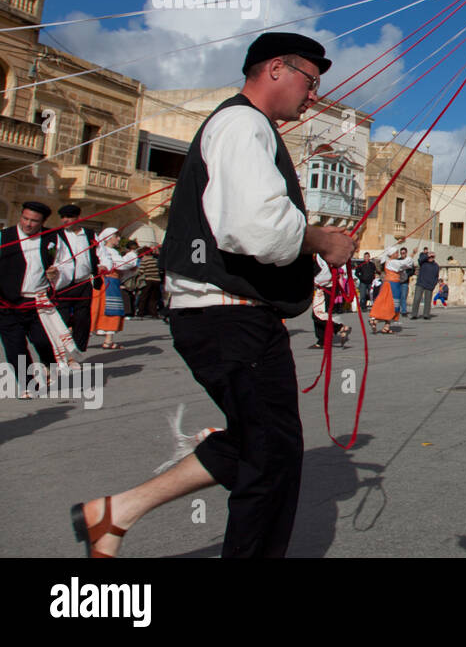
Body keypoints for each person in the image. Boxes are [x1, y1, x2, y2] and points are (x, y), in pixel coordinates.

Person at [72, 32, 356, 558]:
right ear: (275, 68)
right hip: (229, 316)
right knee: (272, 457)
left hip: (225, 316)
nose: (313, 95)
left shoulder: (244, 126)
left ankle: (117, 512)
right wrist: (320, 239)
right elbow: (255, 229)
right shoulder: (243, 124)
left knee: (258, 441)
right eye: (310, 81)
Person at [0, 201, 67, 386]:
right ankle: (28, 383)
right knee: (15, 347)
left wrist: (56, 273)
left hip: (37, 302)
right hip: (7, 304)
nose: (28, 224)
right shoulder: (4, 236)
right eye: (25, 218)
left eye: (34, 221)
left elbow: (65, 264)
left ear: (42, 222)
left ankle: (48, 366)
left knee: (43, 342)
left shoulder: (52, 238)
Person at [52, 204, 96, 353]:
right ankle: (60, 352)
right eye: (63, 217)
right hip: (63, 284)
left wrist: (104, 265)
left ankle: (79, 351)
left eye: (69, 217)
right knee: (61, 319)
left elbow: (102, 253)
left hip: (83, 283)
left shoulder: (90, 234)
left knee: (82, 320)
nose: (65, 220)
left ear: (78, 218)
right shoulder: (57, 234)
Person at [90, 228, 141, 350]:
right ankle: (106, 339)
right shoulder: (108, 251)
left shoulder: (111, 251)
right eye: (116, 236)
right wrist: (132, 255)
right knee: (109, 309)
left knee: (110, 309)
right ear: (108, 237)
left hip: (112, 281)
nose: (118, 239)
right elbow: (122, 264)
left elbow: (122, 269)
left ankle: (108, 339)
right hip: (107, 283)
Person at [412, 249, 440, 319]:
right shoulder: (423, 262)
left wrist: (433, 284)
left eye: (432, 257)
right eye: (430, 257)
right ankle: (414, 314)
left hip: (429, 285)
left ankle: (426, 315)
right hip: (420, 283)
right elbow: (419, 259)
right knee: (417, 299)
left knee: (428, 301)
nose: (430, 258)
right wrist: (427, 255)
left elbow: (436, 276)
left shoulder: (436, 266)